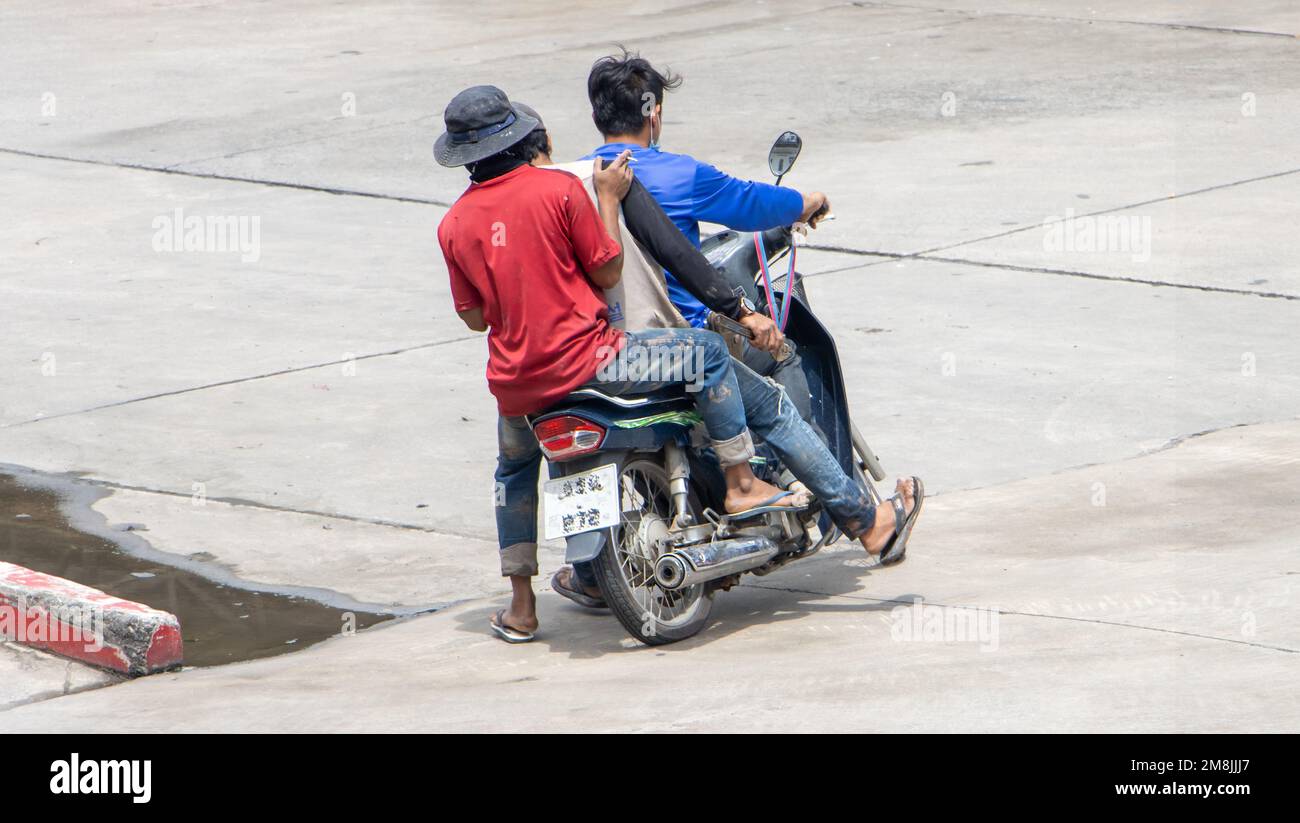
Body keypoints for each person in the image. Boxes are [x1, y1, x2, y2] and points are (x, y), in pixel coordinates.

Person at [434, 86, 825, 643]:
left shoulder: (453, 224)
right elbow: (607, 272)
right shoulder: (561, 191)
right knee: (709, 353)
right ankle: (741, 480)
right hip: (593, 362)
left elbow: (473, 317)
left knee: (515, 473)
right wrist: (610, 201)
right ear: (524, 140)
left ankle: (521, 607)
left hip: (517, 388)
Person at [583, 50, 827, 423]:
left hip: (601, 343)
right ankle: (793, 476)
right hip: (678, 337)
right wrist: (805, 202)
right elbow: (749, 203)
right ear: (655, 114)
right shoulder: (680, 174)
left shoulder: (575, 179)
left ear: (598, 116)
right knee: (783, 354)